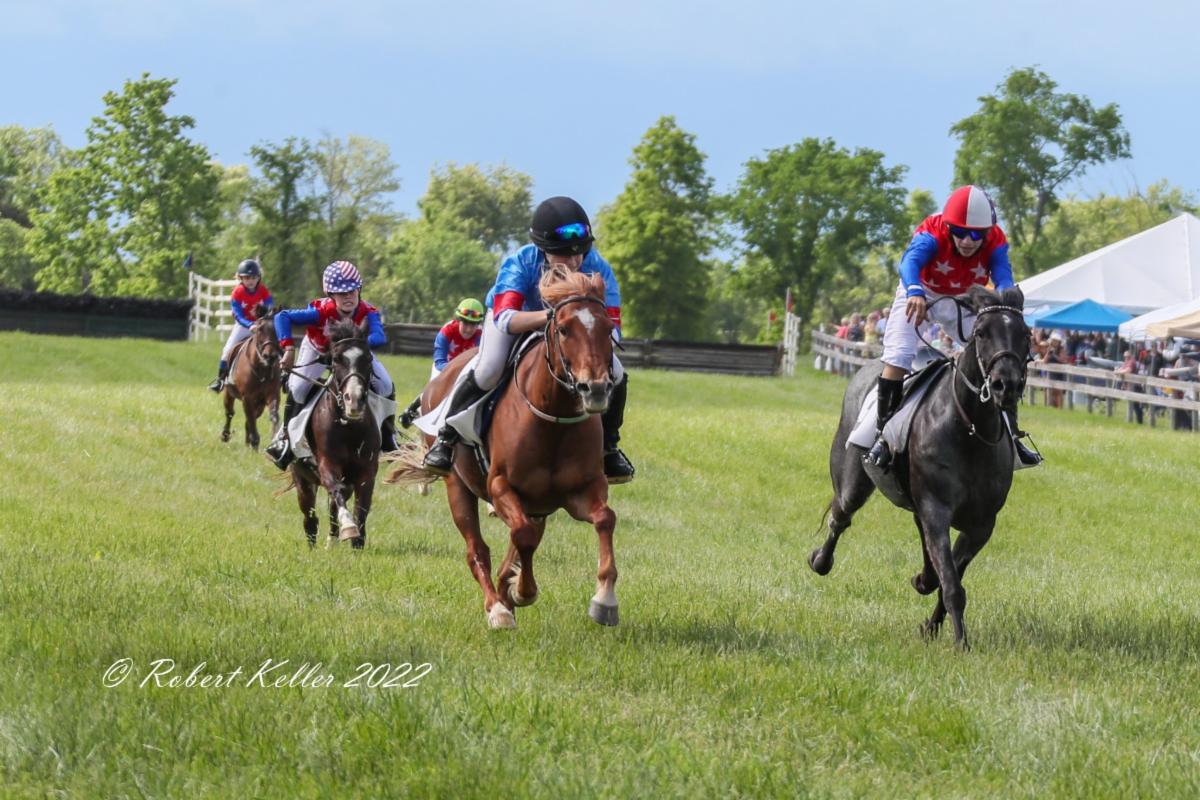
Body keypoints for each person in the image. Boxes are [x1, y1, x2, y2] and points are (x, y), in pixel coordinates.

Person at [420, 196, 635, 483]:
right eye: (563, 255)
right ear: (543, 250)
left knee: (617, 373)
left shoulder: (597, 265)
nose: (573, 262)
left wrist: (590, 332)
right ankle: (446, 439)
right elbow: (506, 319)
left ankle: (609, 448)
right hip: (516, 321)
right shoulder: (520, 262)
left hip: (573, 334)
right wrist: (554, 320)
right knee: (487, 369)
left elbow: (614, 325)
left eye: (579, 254)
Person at [866, 184, 1042, 469]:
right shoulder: (932, 233)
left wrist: (1008, 296)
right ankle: (883, 437)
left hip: (962, 298)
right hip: (919, 293)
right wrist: (913, 291)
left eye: (976, 234)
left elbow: (1003, 275)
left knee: (999, 355)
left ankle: (1011, 434)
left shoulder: (996, 239)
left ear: (987, 231)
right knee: (899, 355)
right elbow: (909, 262)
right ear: (948, 226)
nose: (968, 240)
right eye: (960, 232)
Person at [264, 261, 397, 468]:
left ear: (359, 290)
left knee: (386, 385)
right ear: (330, 294)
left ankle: (388, 437)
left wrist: (351, 346)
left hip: (354, 353)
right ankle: (285, 437)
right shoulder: (320, 312)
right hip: (318, 350)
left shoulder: (369, 311)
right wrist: (288, 348)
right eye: (341, 293)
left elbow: (379, 338)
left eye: (352, 291)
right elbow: (282, 317)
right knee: (297, 388)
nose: (348, 297)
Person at [399, 298, 485, 428]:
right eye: (465, 323)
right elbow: (439, 361)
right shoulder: (447, 331)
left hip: (468, 370)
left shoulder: (481, 335)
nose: (468, 329)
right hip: (445, 367)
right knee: (435, 386)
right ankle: (413, 409)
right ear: (458, 320)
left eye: (473, 324)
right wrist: (454, 372)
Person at [208, 259, 273, 392]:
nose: (250, 280)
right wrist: (250, 325)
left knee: (275, 346)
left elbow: (270, 307)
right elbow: (237, 315)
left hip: (261, 326)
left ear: (258, 277)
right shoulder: (237, 293)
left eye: (254, 277)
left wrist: (263, 322)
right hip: (243, 326)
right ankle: (221, 380)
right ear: (240, 278)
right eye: (247, 277)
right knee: (227, 351)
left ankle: (284, 376)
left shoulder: (263, 291)